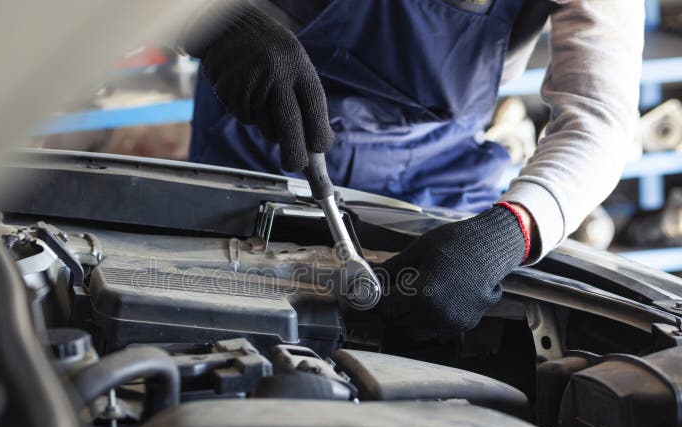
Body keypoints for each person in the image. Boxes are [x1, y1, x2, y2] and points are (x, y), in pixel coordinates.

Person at [180, 0, 644, 337]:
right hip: (252, 153)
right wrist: (215, 21)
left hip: (433, 187)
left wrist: (512, 231)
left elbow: (600, 120)